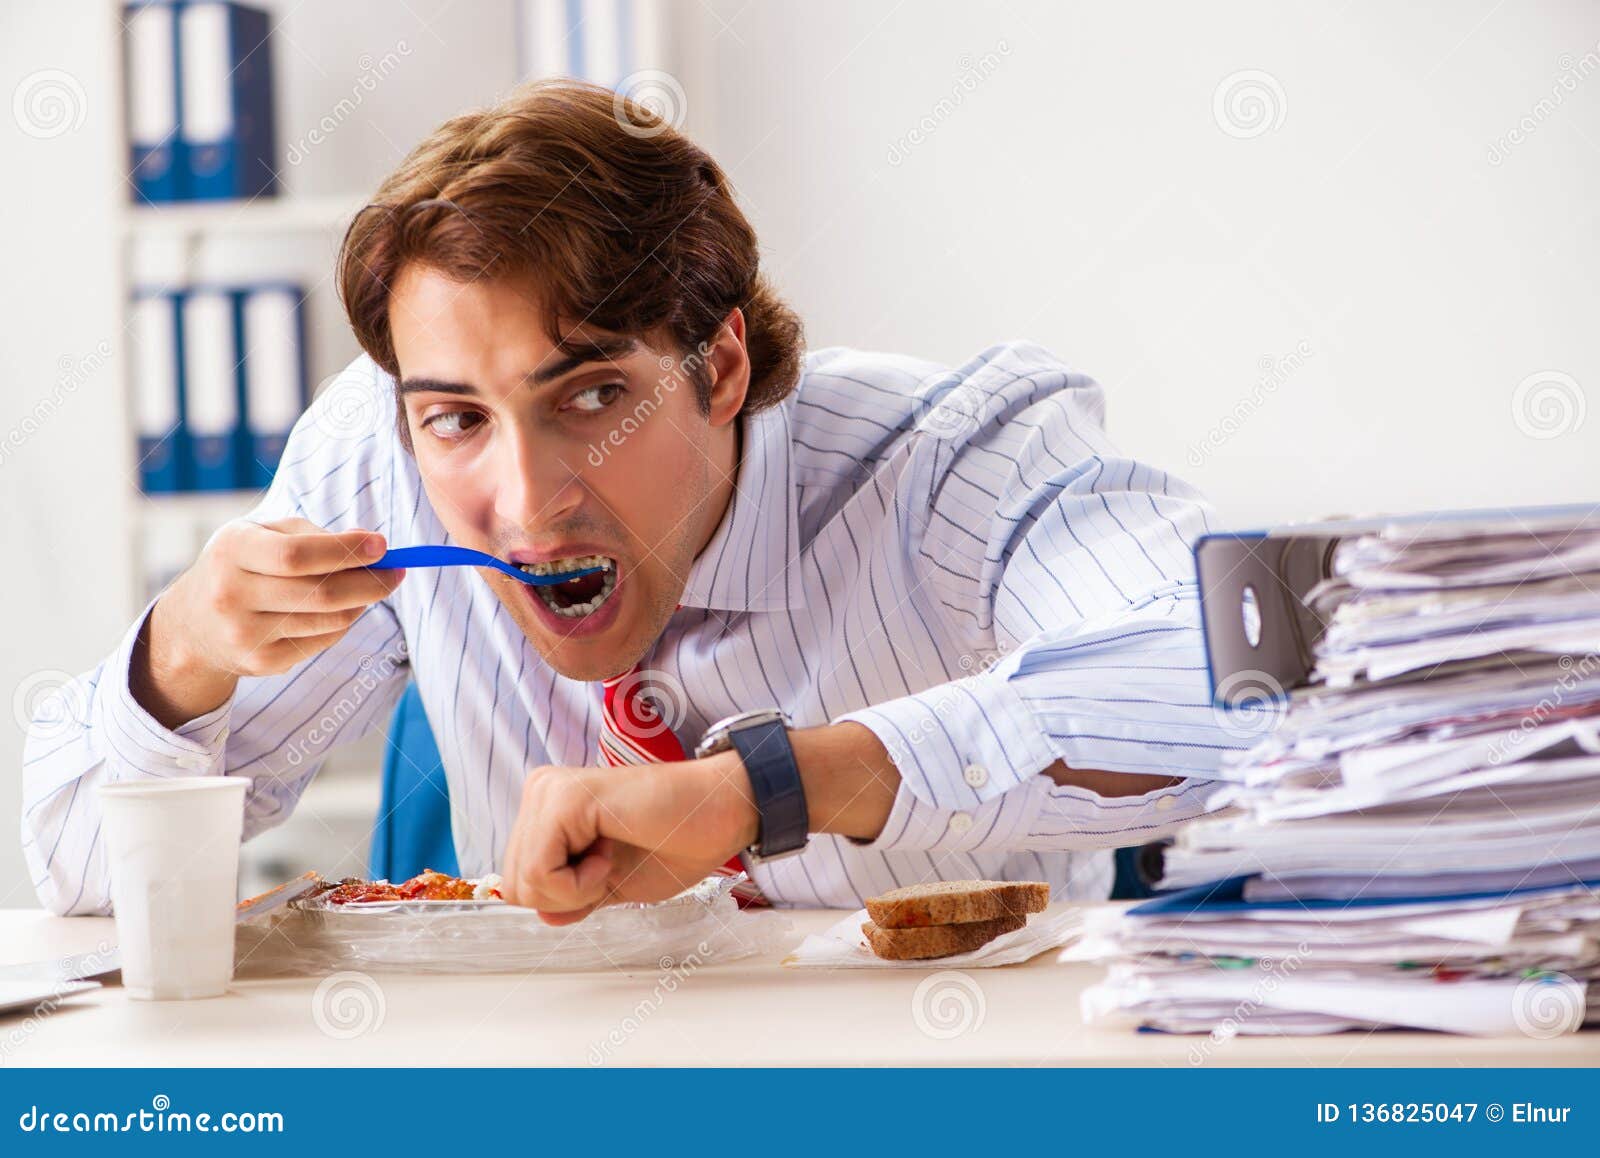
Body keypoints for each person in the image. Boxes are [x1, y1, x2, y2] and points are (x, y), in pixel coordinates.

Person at [23, 81, 1248, 922]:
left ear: (715, 369)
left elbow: (1255, 685)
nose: (522, 497)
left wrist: (761, 790)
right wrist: (179, 651)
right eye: (457, 418)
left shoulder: (950, 464)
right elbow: (80, 877)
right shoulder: (380, 460)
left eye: (593, 397)